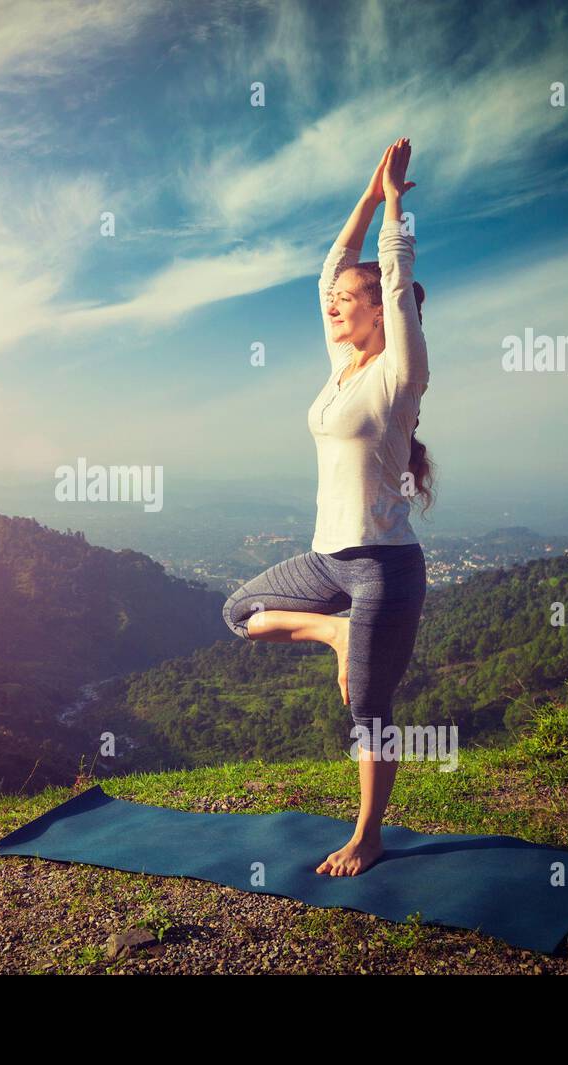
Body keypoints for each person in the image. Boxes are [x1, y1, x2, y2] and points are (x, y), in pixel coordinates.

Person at [222, 137, 435, 877]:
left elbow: (396, 273)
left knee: (368, 715)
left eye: (352, 300)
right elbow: (327, 271)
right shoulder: (343, 367)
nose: (336, 305)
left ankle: (368, 833)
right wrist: (368, 195)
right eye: (337, 301)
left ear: (384, 310)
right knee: (239, 613)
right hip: (326, 562)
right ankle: (334, 635)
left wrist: (398, 205)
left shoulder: (399, 375)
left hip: (384, 569)